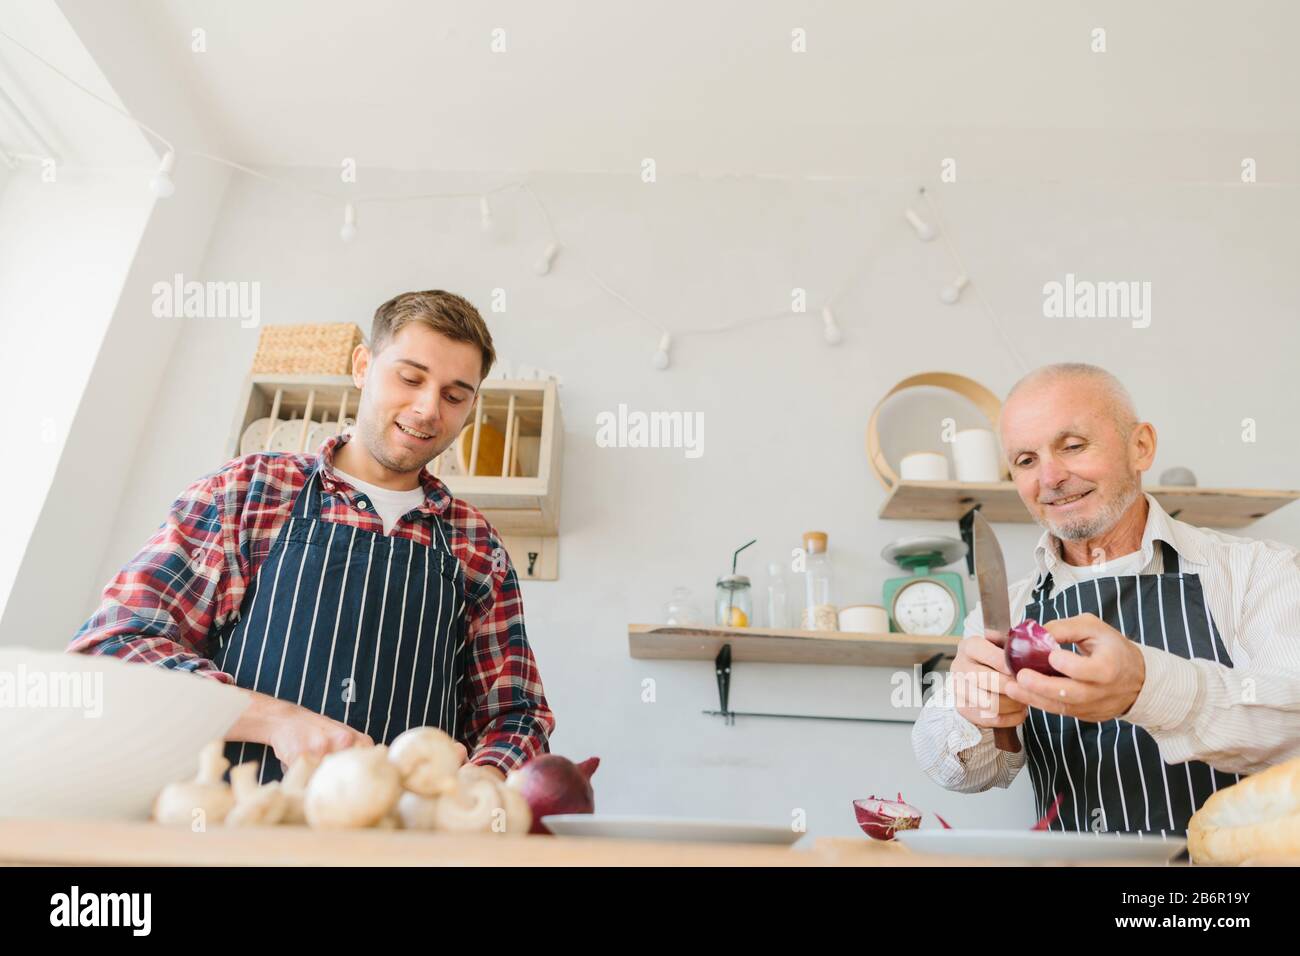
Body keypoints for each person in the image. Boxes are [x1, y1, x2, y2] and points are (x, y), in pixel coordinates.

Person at [70, 290, 554, 783]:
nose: (429, 409)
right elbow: (113, 649)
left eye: (454, 395)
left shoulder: (476, 544)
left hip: (400, 848)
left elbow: (517, 715)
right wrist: (277, 720)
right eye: (410, 378)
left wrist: (484, 777)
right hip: (237, 830)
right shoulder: (248, 492)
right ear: (363, 366)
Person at [912, 362, 1300, 836]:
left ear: (1141, 446)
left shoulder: (1258, 572)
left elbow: (1293, 724)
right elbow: (961, 771)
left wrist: (1146, 689)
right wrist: (977, 714)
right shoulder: (1005, 611)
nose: (1050, 477)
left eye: (1072, 446)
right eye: (1026, 460)